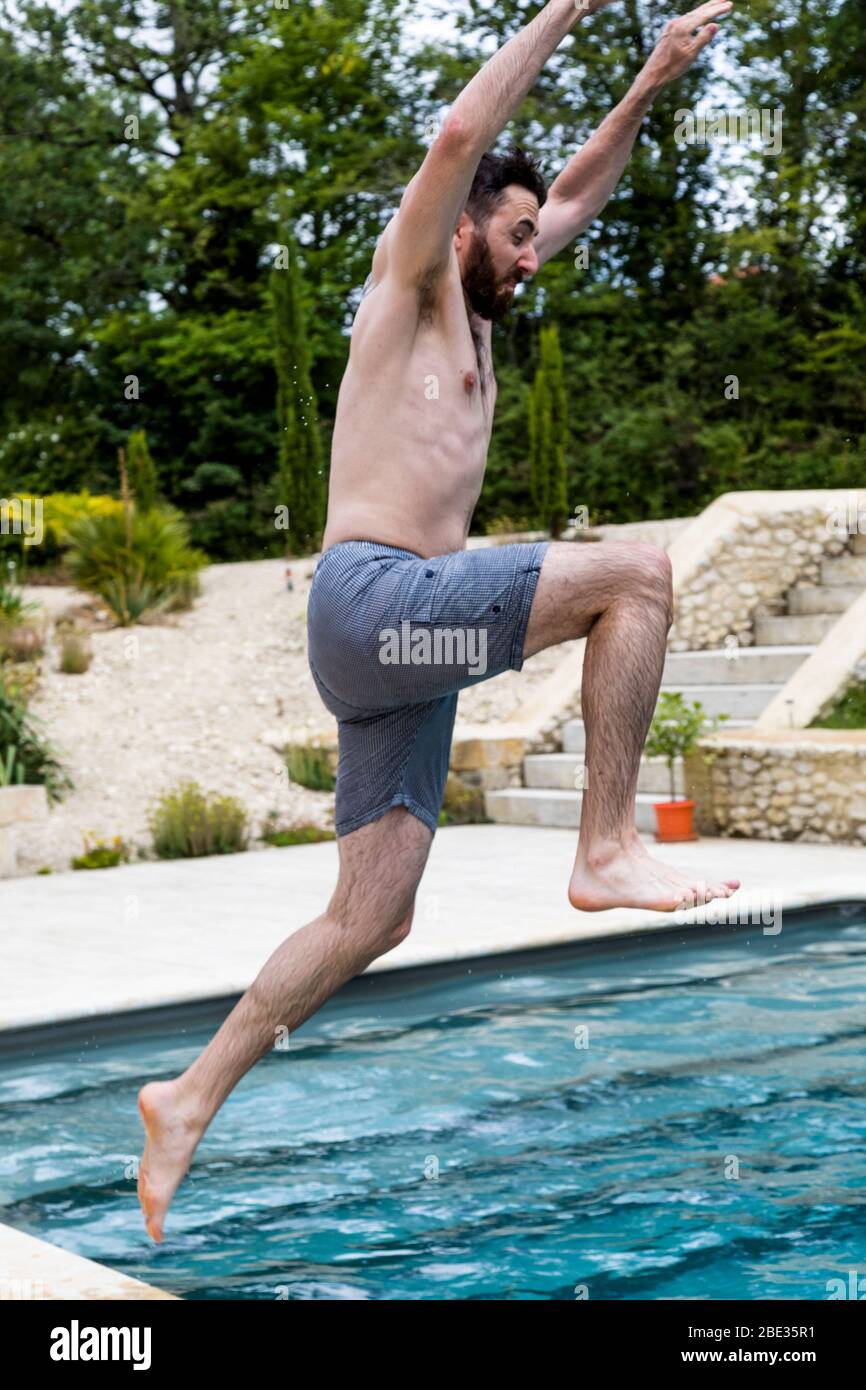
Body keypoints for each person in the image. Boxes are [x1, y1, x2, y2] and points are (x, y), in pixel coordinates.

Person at [138, 0, 739, 1242]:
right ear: (462, 222)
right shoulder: (410, 279)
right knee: (636, 574)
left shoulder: (481, 299)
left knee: (376, 911)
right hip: (374, 603)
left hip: (396, 655)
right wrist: (566, 10)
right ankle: (605, 846)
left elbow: (569, 189)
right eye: (514, 237)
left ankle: (187, 1094)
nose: (533, 256)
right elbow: (468, 127)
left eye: (534, 243)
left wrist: (647, 80)